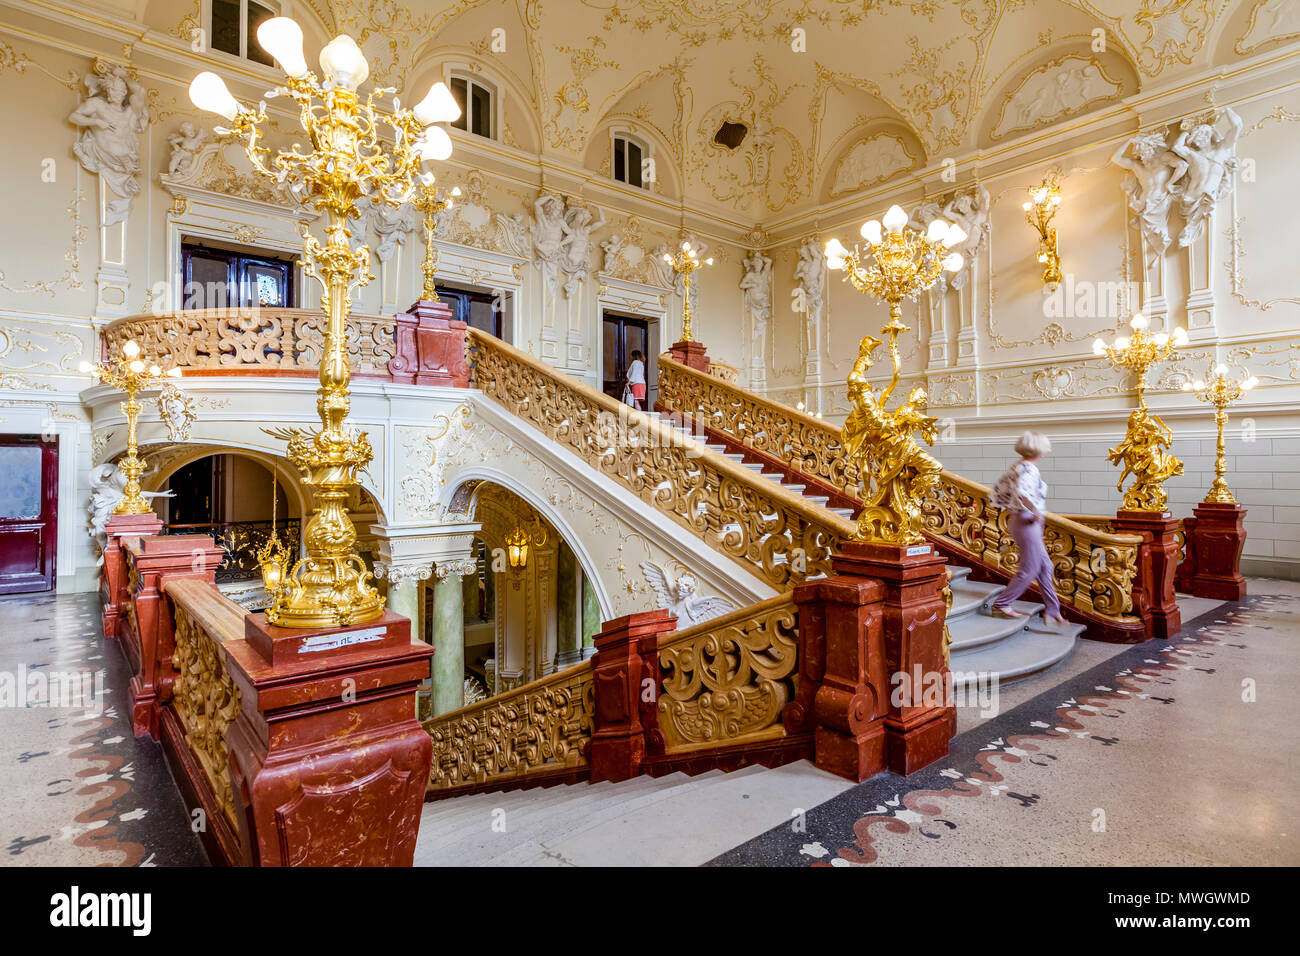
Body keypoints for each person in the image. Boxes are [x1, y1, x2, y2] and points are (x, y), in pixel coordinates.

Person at [989, 430, 1064, 626]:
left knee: (1045, 566)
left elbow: (1001, 492)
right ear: (1039, 448)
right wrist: (1035, 512)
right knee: (1030, 568)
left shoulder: (1019, 466)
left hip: (1022, 519)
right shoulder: (1029, 469)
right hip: (1027, 520)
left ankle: (1052, 610)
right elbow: (1022, 493)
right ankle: (1001, 604)